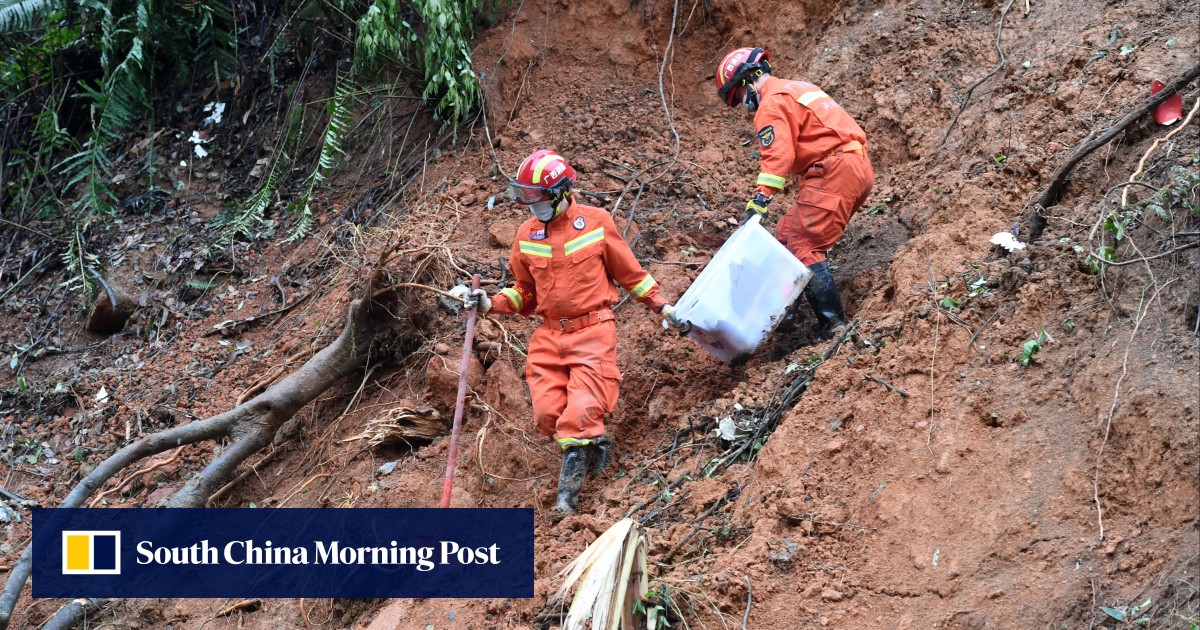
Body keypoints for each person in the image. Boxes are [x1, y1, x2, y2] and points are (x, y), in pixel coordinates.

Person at [452, 149, 680, 515]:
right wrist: (487, 302)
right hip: (549, 337)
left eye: (535, 196)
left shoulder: (596, 222)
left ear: (560, 192)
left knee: (578, 415)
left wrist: (662, 305)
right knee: (547, 416)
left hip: (593, 332)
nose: (530, 204)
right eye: (523, 196)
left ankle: (566, 501)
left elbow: (630, 274)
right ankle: (596, 445)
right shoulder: (526, 234)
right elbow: (524, 289)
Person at [714, 47, 874, 335]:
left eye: (738, 95)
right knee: (786, 235)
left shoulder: (771, 104)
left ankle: (834, 325)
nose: (742, 103)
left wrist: (760, 199)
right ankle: (783, 313)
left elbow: (778, 156)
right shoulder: (797, 88)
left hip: (833, 170)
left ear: (748, 80)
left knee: (803, 244)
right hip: (853, 166)